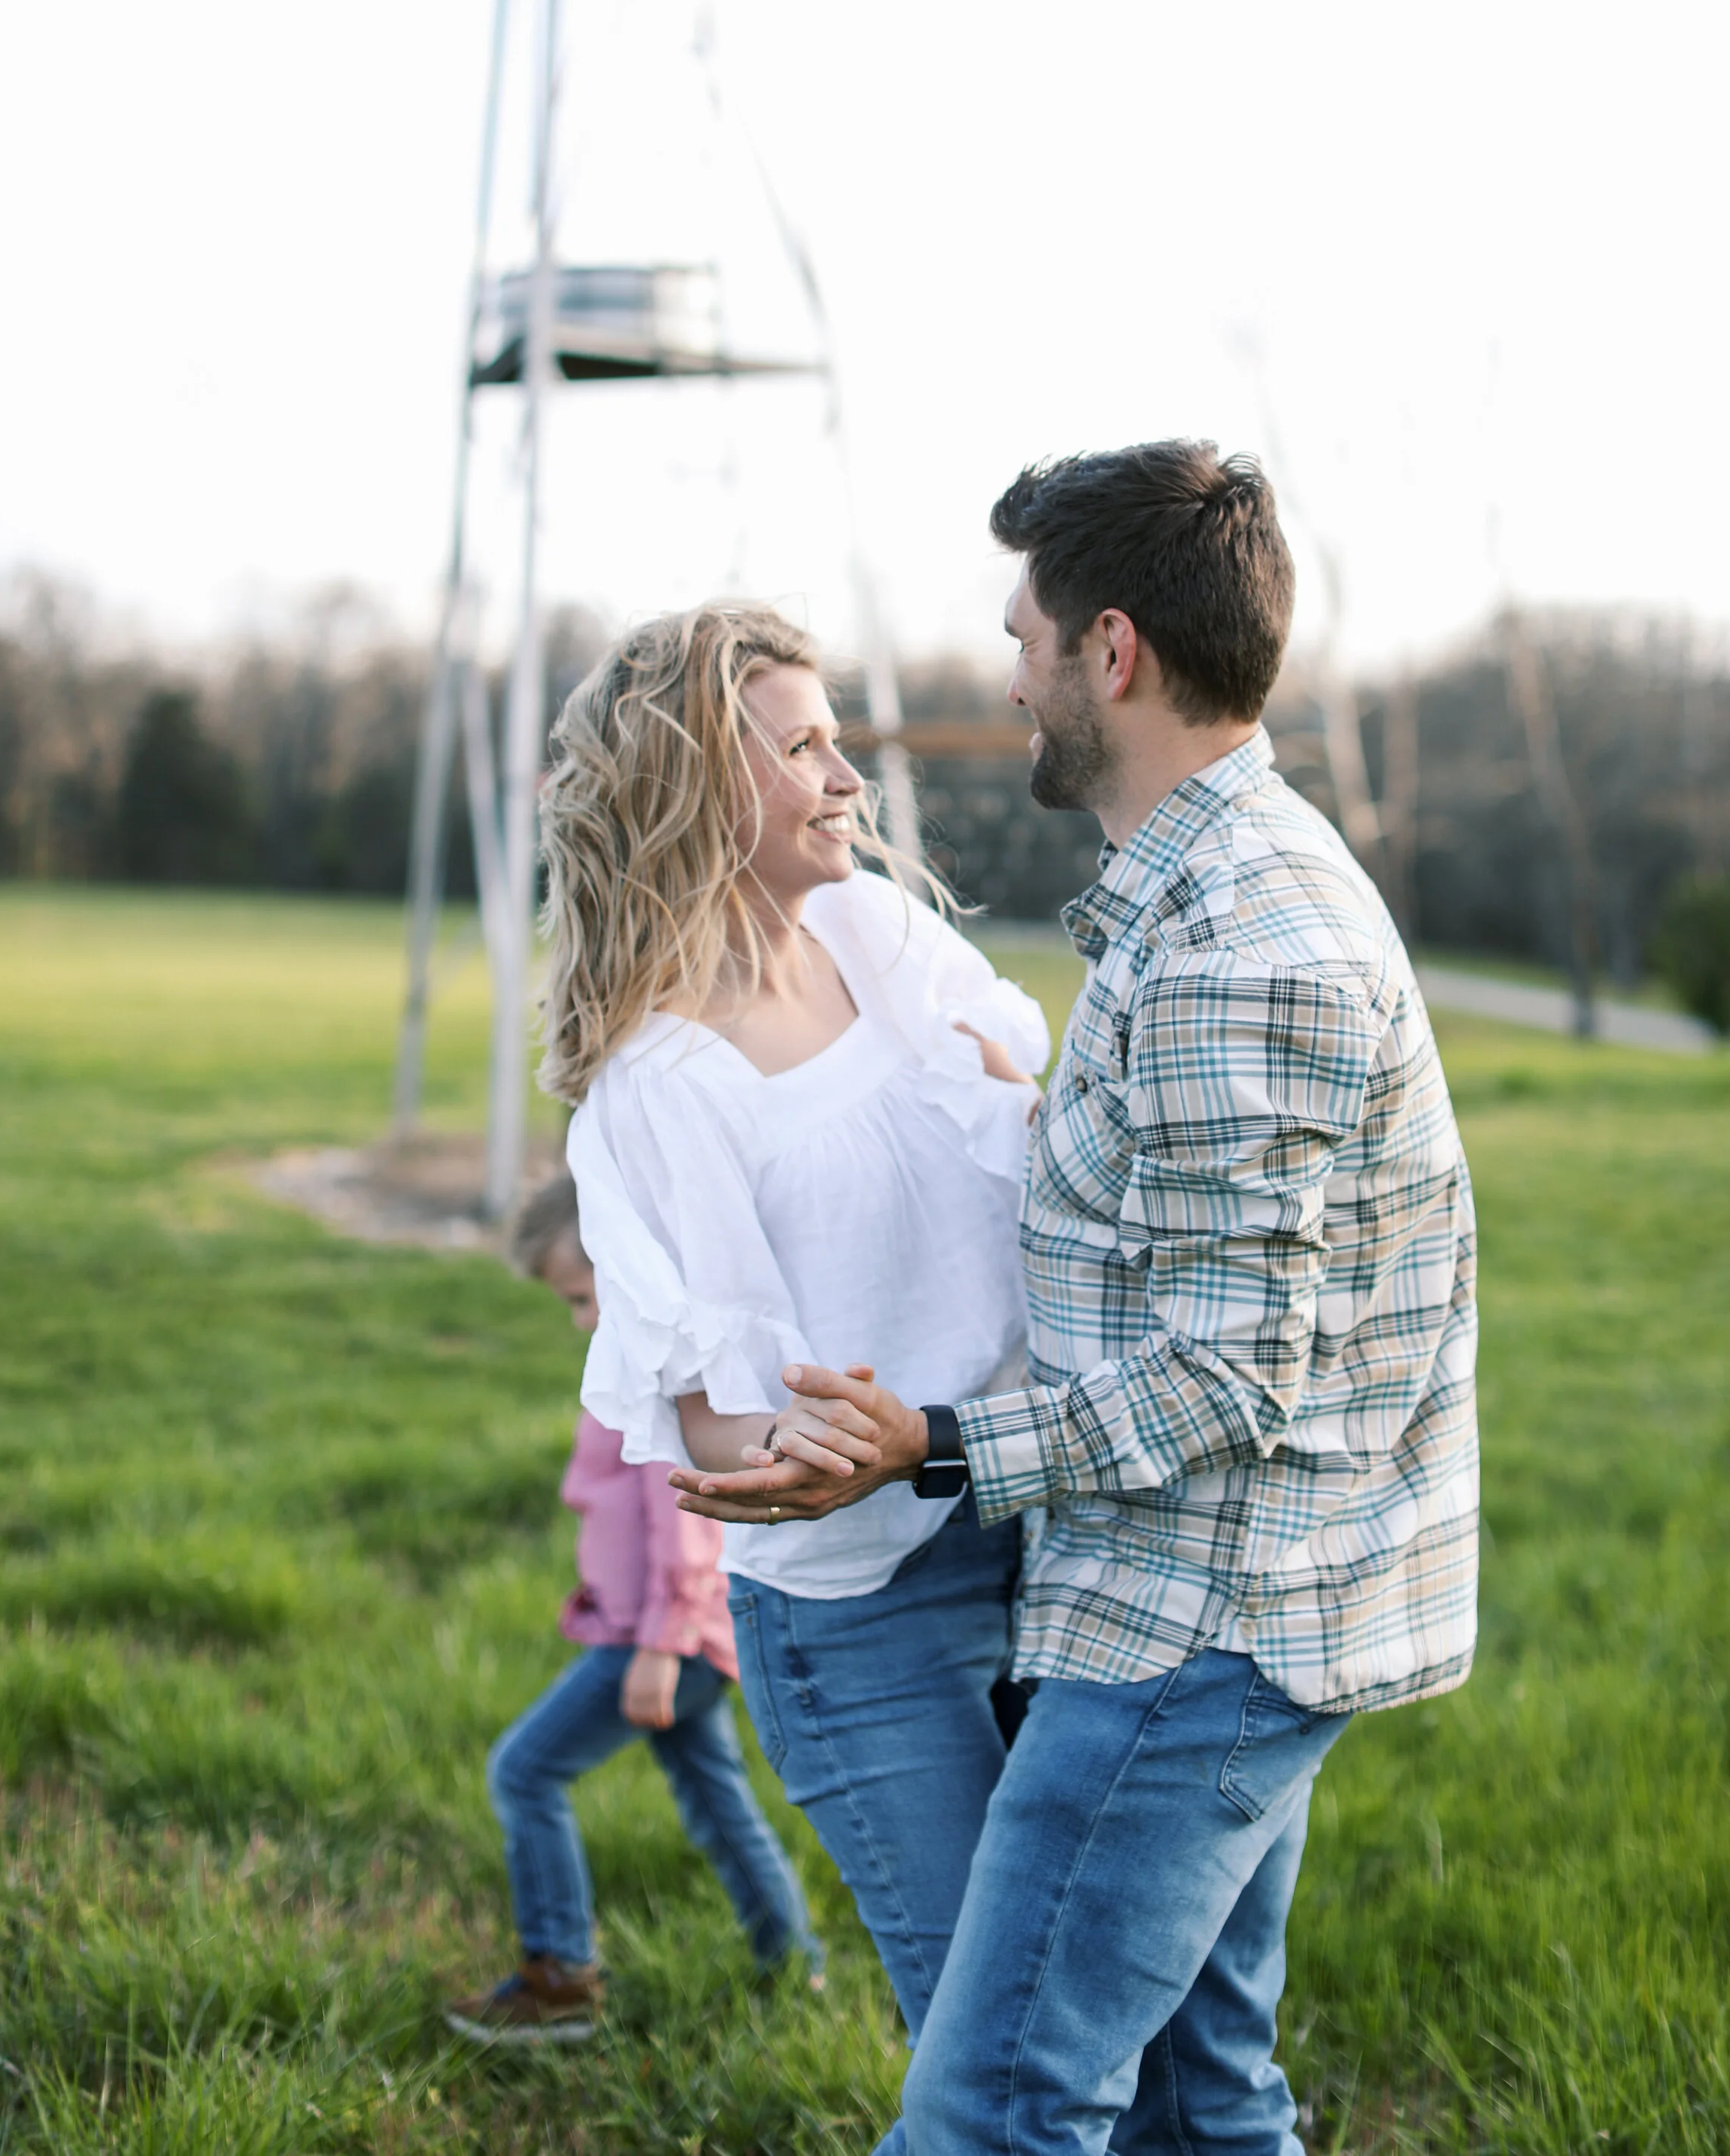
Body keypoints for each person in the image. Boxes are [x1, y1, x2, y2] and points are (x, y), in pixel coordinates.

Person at [675, 443, 1481, 2156]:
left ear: (1111, 651)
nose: (1008, 671)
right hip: (1244, 1602)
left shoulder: (1232, 945)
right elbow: (1218, 1226)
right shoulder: (1223, 884)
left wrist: (932, 1443)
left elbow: (1225, 1375)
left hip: (1194, 1624)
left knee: (997, 2107)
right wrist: (1035, 1122)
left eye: (1025, 633)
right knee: (1203, 2095)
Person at [541, 602, 1052, 2042]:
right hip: (868, 1612)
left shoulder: (876, 932)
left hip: (1046, 1524)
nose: (846, 780)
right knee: (989, 2039)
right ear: (700, 782)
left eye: (839, 742)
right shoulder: (661, 1083)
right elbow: (715, 1413)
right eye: (803, 748)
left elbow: (1035, 1127)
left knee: (1090, 2019)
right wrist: (815, 1448)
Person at [445, 1171, 821, 2047]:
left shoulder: (658, 1365)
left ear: (619, 1263)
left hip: (665, 1636)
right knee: (712, 1790)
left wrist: (657, 1641)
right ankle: (793, 1960)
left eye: (580, 1296)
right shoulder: (637, 1356)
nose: (577, 1318)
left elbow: (683, 1519)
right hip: (661, 1629)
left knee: (524, 1771)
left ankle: (560, 1978)